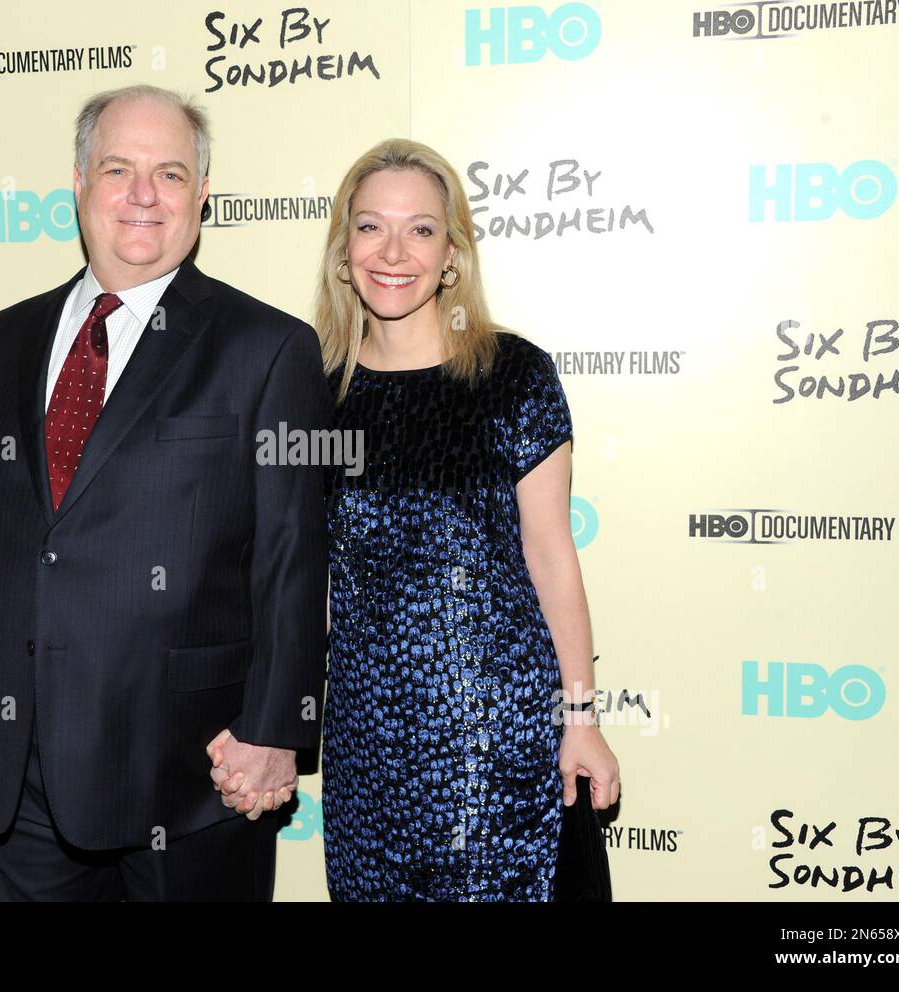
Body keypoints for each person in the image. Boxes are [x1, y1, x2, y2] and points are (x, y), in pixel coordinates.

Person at [0, 84, 330, 901]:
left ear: (202, 194)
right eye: (118, 169)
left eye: (170, 174)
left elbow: (292, 562)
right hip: (21, 773)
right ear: (78, 182)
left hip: (196, 772)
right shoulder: (0, 339)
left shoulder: (268, 348)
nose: (143, 195)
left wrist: (276, 729)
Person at [309, 137, 619, 900]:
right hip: (365, 748)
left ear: (451, 255)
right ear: (344, 250)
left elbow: (551, 556)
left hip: (499, 742)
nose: (393, 252)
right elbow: (310, 582)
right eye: (371, 226)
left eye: (420, 229)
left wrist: (580, 719)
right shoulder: (313, 393)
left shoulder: (512, 375)